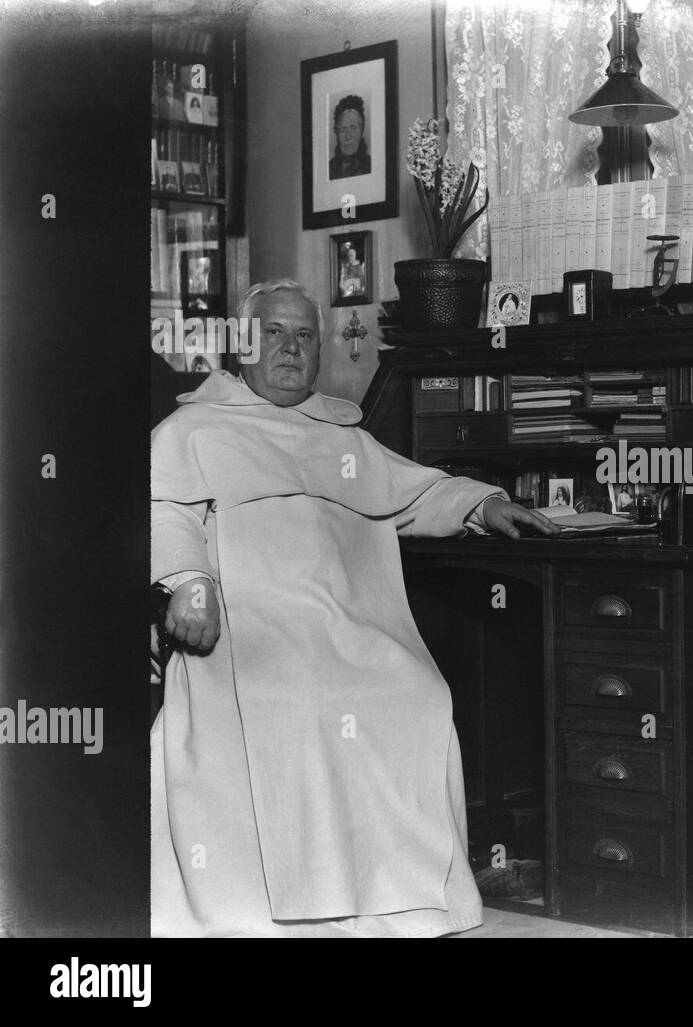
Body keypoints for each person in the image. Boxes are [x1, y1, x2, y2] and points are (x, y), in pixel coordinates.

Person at [151, 279, 557, 937]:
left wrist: (481, 502)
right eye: (274, 333)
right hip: (248, 622)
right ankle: (289, 909)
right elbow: (165, 512)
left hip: (343, 623)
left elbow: (415, 491)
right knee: (303, 695)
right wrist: (190, 582)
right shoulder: (191, 430)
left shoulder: (339, 435)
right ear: (244, 344)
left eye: (305, 336)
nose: (290, 348)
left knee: (417, 688)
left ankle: (392, 898)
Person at [329, 95, 371, 179]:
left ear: (361, 130)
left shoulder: (371, 166)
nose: (348, 136)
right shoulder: (329, 170)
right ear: (336, 133)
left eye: (353, 128)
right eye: (343, 130)